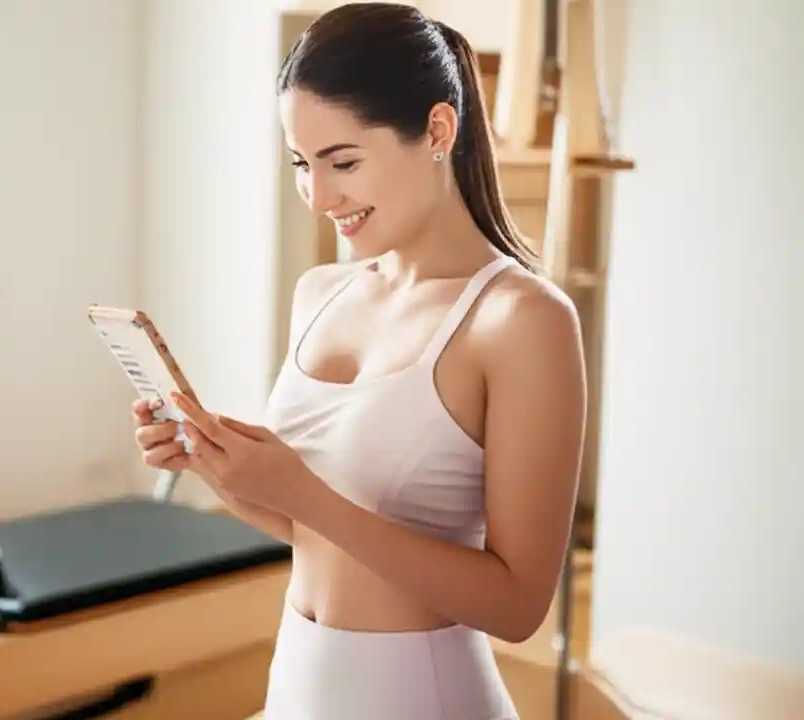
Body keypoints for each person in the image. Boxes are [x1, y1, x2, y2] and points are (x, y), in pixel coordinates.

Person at [133, 2, 585, 718]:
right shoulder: (318, 293)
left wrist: (305, 493)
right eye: (300, 165)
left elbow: (517, 605)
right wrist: (220, 467)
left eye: (343, 161)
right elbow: (320, 536)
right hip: (299, 684)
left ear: (437, 130)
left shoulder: (520, 320)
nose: (318, 196)